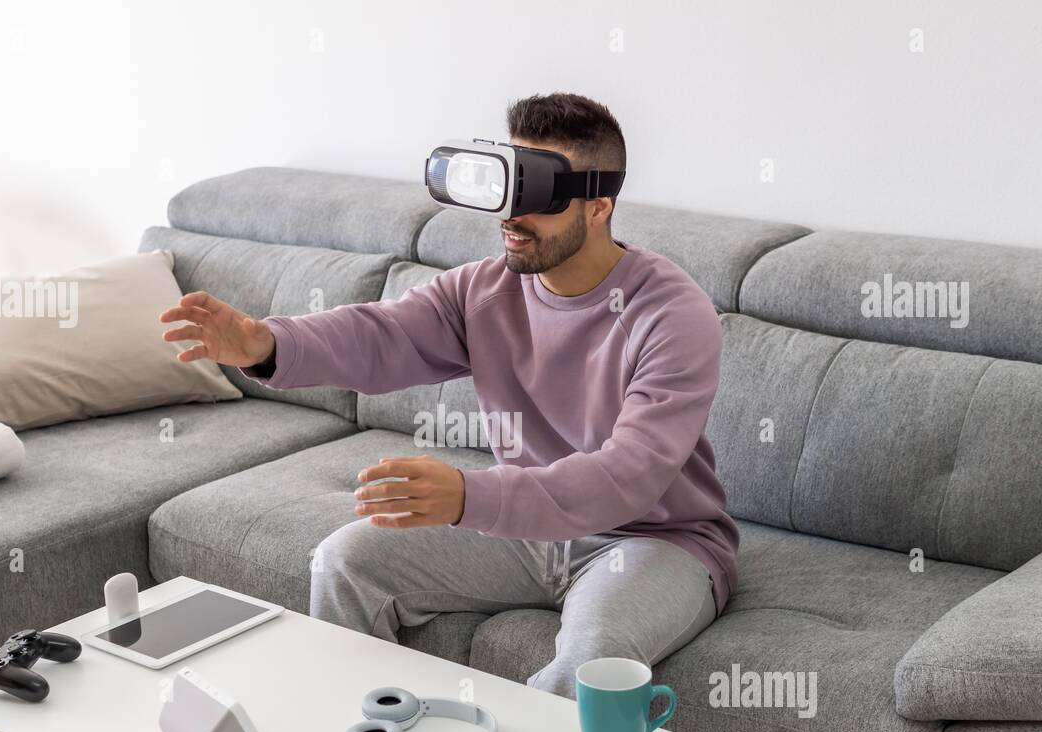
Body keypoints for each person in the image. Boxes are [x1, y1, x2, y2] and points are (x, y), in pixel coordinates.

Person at [159, 92, 738, 698]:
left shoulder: (671, 314)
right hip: (528, 529)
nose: (511, 216)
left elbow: (627, 477)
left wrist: (469, 496)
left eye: (537, 196)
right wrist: (264, 342)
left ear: (598, 206)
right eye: (506, 186)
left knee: (590, 666)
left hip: (654, 541)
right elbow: (380, 335)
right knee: (345, 564)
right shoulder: (483, 291)